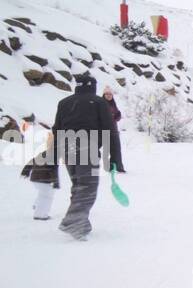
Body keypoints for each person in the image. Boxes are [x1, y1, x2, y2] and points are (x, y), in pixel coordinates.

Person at [52, 74, 114, 240]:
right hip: (87, 149)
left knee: (79, 185)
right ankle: (74, 223)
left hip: (67, 148)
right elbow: (110, 129)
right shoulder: (99, 102)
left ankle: (82, 223)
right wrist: (115, 157)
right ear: (92, 86)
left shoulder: (64, 103)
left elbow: (56, 129)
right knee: (88, 187)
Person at [19, 134, 60, 221]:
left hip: (36, 178)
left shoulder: (44, 153)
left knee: (45, 193)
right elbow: (53, 169)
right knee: (46, 196)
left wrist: (25, 172)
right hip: (43, 179)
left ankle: (37, 205)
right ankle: (40, 215)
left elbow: (32, 161)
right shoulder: (54, 155)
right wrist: (56, 182)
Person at [102, 87, 127, 174]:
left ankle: (118, 168)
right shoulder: (101, 104)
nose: (109, 96)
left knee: (116, 149)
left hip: (113, 130)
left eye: (110, 94)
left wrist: (118, 116)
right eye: (107, 94)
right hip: (104, 130)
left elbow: (116, 116)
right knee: (107, 150)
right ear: (104, 95)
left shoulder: (113, 104)